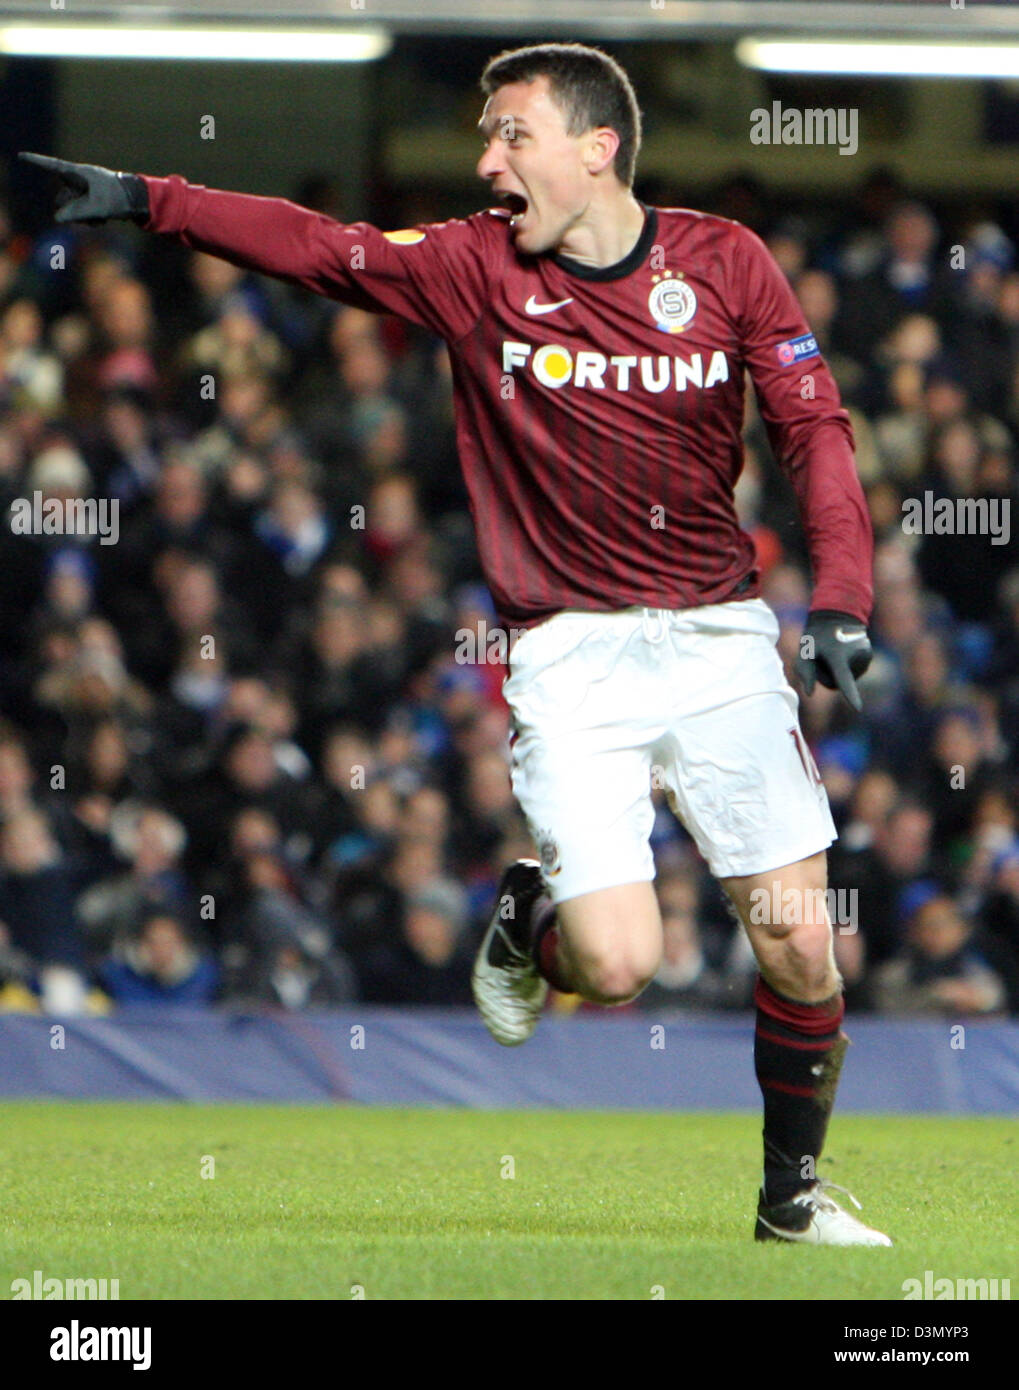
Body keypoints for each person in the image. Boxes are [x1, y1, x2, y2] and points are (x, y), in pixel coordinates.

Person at [20, 40, 885, 1245]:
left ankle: (789, 1201)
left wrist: (840, 594)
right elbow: (325, 248)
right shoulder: (476, 267)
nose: (486, 163)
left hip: (720, 641)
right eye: (484, 137)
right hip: (570, 654)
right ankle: (532, 919)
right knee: (619, 965)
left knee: (800, 945)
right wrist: (154, 200)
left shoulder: (726, 262)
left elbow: (814, 430)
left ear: (597, 149)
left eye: (510, 136)